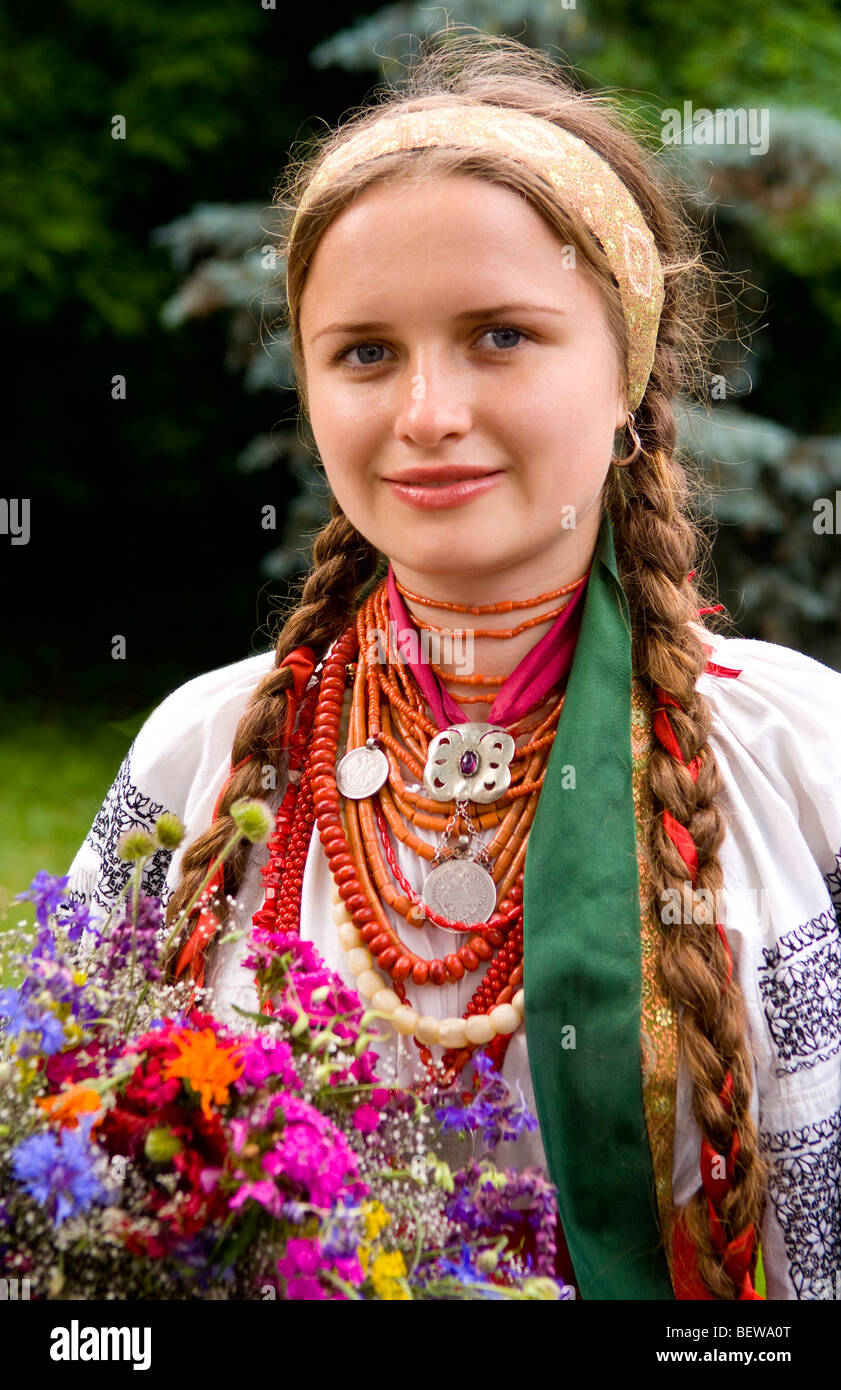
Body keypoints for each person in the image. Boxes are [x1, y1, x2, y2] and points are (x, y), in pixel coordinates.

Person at [65, 32, 841, 1303]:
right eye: (363, 351)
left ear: (627, 376)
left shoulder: (800, 764)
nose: (425, 411)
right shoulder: (207, 752)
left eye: (499, 336)